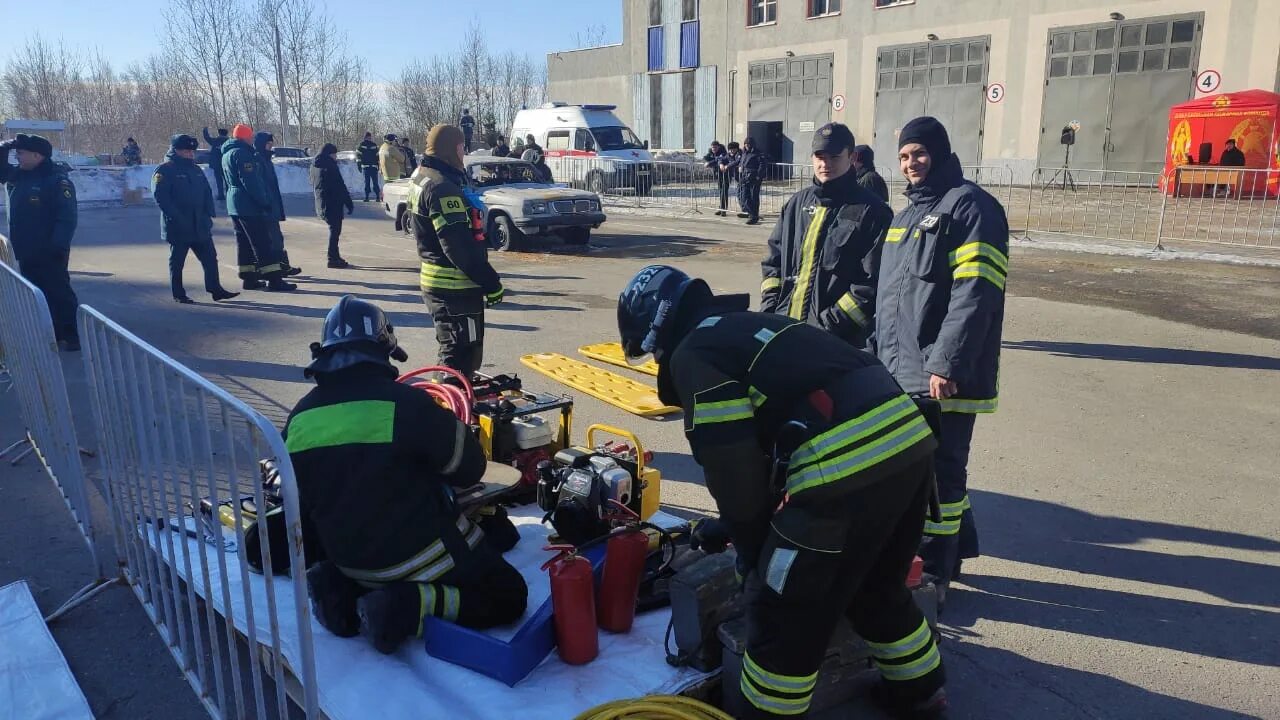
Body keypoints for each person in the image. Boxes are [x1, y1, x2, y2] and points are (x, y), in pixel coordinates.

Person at [616, 265, 947, 720]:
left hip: (843, 469)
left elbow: (734, 472)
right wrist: (730, 526)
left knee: (782, 612)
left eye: (652, 355)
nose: (657, 364)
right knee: (877, 585)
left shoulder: (694, 352)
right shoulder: (750, 327)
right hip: (910, 448)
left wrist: (755, 555)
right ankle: (922, 692)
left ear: (656, 329)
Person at [286, 295, 528, 654]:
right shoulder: (406, 405)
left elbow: (303, 496)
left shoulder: (299, 417)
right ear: (383, 348)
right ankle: (402, 609)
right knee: (508, 595)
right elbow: (470, 469)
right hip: (417, 557)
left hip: (346, 559)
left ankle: (341, 590)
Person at [875, 116, 1008, 600]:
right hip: (902, 368)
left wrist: (945, 363)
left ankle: (933, 572)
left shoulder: (972, 207)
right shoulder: (906, 216)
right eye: (906, 155)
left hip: (942, 374)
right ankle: (959, 548)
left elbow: (975, 294)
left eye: (920, 154)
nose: (911, 164)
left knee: (940, 476)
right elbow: (891, 298)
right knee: (925, 470)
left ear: (941, 153)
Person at [760, 123, 891, 349]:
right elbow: (773, 263)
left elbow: (871, 285)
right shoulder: (796, 204)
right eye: (819, 156)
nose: (825, 164)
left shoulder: (873, 212)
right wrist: (771, 310)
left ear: (852, 157)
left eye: (834, 156)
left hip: (837, 343)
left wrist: (827, 325)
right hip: (783, 330)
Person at [408, 124, 504, 377]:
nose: (465, 152)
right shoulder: (442, 188)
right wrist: (491, 282)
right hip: (455, 290)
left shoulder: (424, 176)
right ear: (451, 149)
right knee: (460, 359)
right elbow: (458, 247)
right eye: (462, 147)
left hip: (438, 284)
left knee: (453, 352)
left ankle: (450, 407)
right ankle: (447, 409)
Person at [0, 133, 81, 351]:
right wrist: (6, 146)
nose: (18, 158)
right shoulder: (21, 175)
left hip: (50, 249)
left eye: (22, 153)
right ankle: (51, 332)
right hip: (26, 249)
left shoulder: (56, 180)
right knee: (36, 293)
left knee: (59, 292)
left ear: (38, 155)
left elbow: (67, 217)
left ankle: (72, 334)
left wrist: (59, 246)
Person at [151, 134, 239, 304]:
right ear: (176, 150)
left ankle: (215, 289)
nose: (191, 154)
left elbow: (206, 192)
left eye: (192, 151)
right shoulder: (165, 169)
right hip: (179, 225)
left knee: (210, 258)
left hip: (200, 223)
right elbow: (161, 197)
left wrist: (209, 214)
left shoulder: (196, 169)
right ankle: (179, 293)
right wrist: (176, 217)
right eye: (187, 151)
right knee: (177, 262)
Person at [222, 124, 293, 292]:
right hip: (248, 205)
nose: (252, 140)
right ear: (245, 137)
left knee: (244, 243)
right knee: (262, 242)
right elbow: (251, 182)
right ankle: (274, 280)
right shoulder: (243, 154)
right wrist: (264, 201)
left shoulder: (227, 154)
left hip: (235, 205)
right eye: (250, 137)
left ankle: (249, 278)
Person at [254, 131, 300, 277]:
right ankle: (273, 271)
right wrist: (264, 203)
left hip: (272, 205)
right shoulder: (258, 160)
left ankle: (283, 266)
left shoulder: (267, 160)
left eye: (271, 144)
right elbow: (259, 186)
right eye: (268, 144)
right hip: (265, 207)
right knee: (272, 240)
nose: (271, 147)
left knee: (277, 238)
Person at [310, 143, 354, 269]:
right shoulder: (330, 166)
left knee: (334, 231)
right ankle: (332, 258)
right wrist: (348, 202)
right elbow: (340, 186)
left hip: (322, 202)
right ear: (329, 154)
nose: (336, 157)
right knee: (335, 232)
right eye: (335, 154)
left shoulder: (315, 165)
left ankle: (335, 256)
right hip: (333, 203)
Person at [737, 137, 766, 225]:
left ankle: (754, 216)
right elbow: (741, 162)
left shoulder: (758, 153)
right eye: (745, 144)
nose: (747, 146)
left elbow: (762, 165)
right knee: (744, 197)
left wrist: (758, 176)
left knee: (753, 197)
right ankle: (750, 213)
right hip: (744, 177)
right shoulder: (744, 153)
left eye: (748, 144)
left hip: (754, 177)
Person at [703, 141, 732, 216]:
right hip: (718, 174)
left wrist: (710, 163)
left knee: (724, 192)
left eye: (715, 147)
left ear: (718, 147)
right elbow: (705, 157)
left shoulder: (723, 152)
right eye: (712, 147)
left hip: (725, 174)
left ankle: (723, 209)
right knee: (720, 191)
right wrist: (708, 160)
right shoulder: (711, 152)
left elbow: (718, 159)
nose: (713, 149)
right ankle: (721, 207)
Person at [203, 127, 230, 200]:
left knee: (219, 180)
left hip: (216, 164)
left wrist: (205, 130)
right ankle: (229, 194)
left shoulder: (215, 141)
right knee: (228, 180)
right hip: (226, 164)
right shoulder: (229, 141)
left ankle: (221, 195)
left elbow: (207, 138)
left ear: (219, 133)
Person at [357, 132, 381, 202]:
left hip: (373, 167)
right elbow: (358, 155)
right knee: (367, 183)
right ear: (365, 137)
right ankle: (367, 197)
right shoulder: (361, 145)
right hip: (366, 167)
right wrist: (359, 165)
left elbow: (377, 156)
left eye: (370, 137)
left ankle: (377, 197)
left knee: (375, 183)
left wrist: (378, 165)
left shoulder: (374, 145)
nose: (369, 138)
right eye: (368, 137)